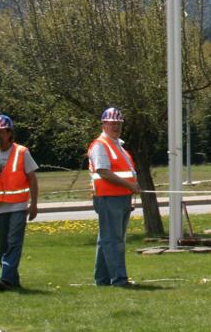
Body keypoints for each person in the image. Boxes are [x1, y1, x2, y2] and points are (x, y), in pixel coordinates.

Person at [0, 114, 39, 291]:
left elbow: (32, 179)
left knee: (13, 243)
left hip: (18, 206)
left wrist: (33, 204)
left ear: (10, 133)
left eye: (0, 132)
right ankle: (12, 280)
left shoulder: (22, 152)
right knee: (2, 247)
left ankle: (4, 278)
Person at [88, 107, 140, 287]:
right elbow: (104, 172)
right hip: (108, 197)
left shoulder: (118, 145)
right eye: (112, 123)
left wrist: (131, 187)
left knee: (107, 239)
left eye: (118, 124)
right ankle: (119, 279)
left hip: (120, 197)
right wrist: (130, 185)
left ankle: (102, 280)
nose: (116, 127)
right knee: (114, 240)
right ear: (104, 124)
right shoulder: (100, 145)